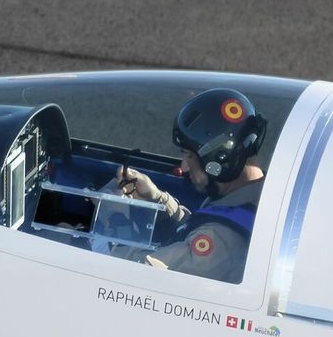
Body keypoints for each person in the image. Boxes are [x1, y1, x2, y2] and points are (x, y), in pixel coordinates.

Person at [113, 88, 267, 283]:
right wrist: (159, 201)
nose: (183, 167)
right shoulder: (248, 198)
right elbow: (195, 231)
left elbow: (140, 276)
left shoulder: (221, 239)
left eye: (187, 155)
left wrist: (116, 224)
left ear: (219, 160)